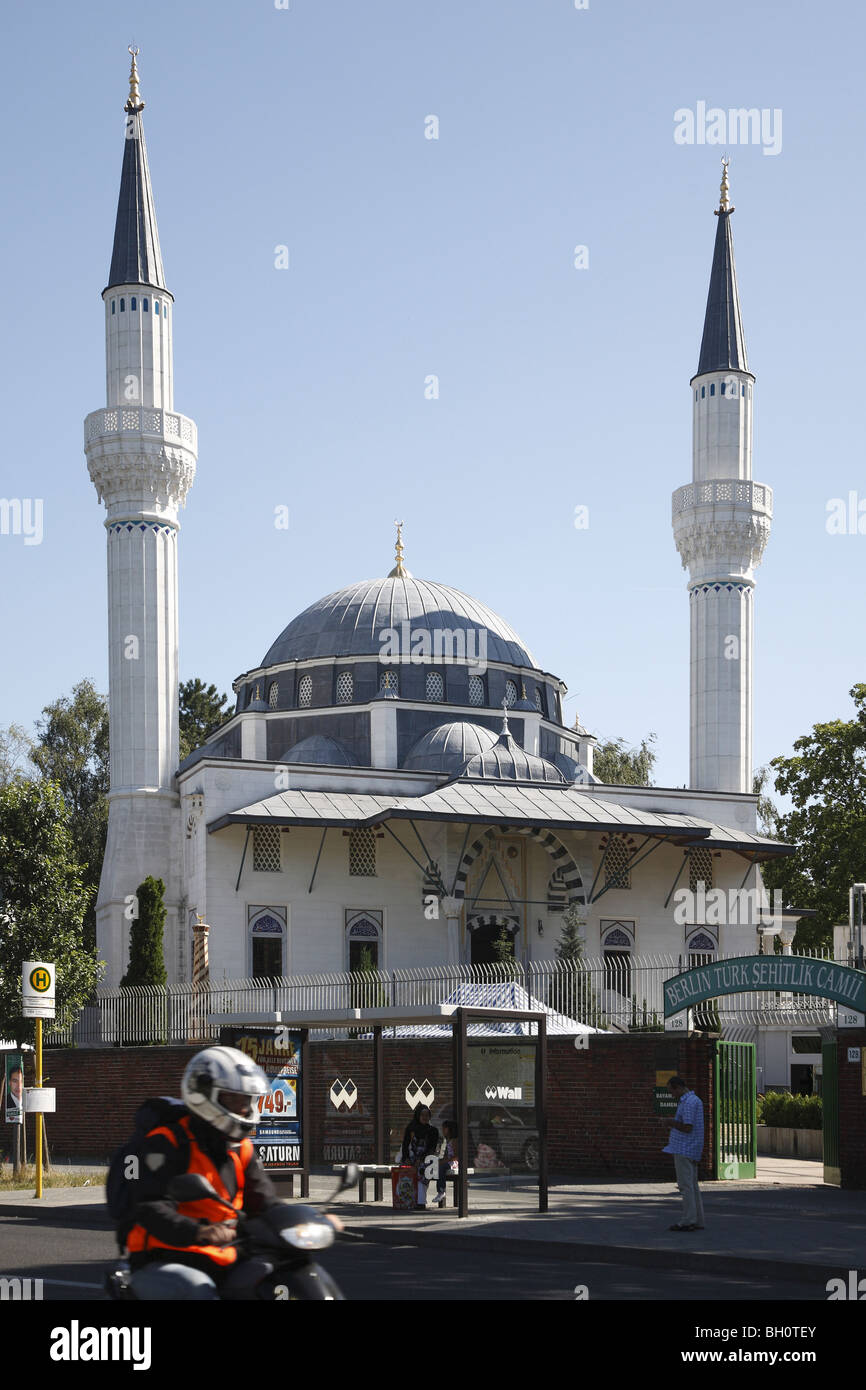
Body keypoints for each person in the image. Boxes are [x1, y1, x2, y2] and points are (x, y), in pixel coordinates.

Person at [124, 1045, 286, 1299]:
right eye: (233, 1098)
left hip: (226, 1254)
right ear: (203, 1094)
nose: (243, 1107)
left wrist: (307, 1220)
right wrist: (200, 1231)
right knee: (199, 1292)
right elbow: (149, 1206)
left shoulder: (241, 1148)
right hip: (167, 1256)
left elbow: (264, 1202)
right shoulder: (166, 1143)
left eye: (247, 1099)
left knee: (276, 1282)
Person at [662, 1074, 705, 1232]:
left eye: (672, 1091)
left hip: (684, 1148)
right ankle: (698, 1218)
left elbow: (687, 1127)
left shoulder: (687, 1103)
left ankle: (688, 1220)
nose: (672, 1095)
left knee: (685, 1186)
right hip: (693, 1148)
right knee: (693, 1185)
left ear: (678, 1088)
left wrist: (670, 1122)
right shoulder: (696, 1100)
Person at [400, 1104, 439, 1210]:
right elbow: (405, 1144)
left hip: (428, 1159)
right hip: (413, 1158)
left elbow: (432, 1149)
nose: (425, 1117)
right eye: (422, 1115)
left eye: (427, 1115)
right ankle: (408, 1199)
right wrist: (406, 1158)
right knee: (406, 1169)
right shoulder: (411, 1128)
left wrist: (421, 1159)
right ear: (418, 1115)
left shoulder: (433, 1131)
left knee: (421, 1170)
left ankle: (420, 1201)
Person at [434, 1120, 458, 1208]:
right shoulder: (447, 1140)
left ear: (448, 1129)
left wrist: (445, 1161)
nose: (442, 1130)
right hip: (449, 1161)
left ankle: (441, 1191)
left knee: (441, 1167)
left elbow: (456, 1156)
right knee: (437, 1165)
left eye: (444, 1128)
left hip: (454, 1162)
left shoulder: (454, 1140)